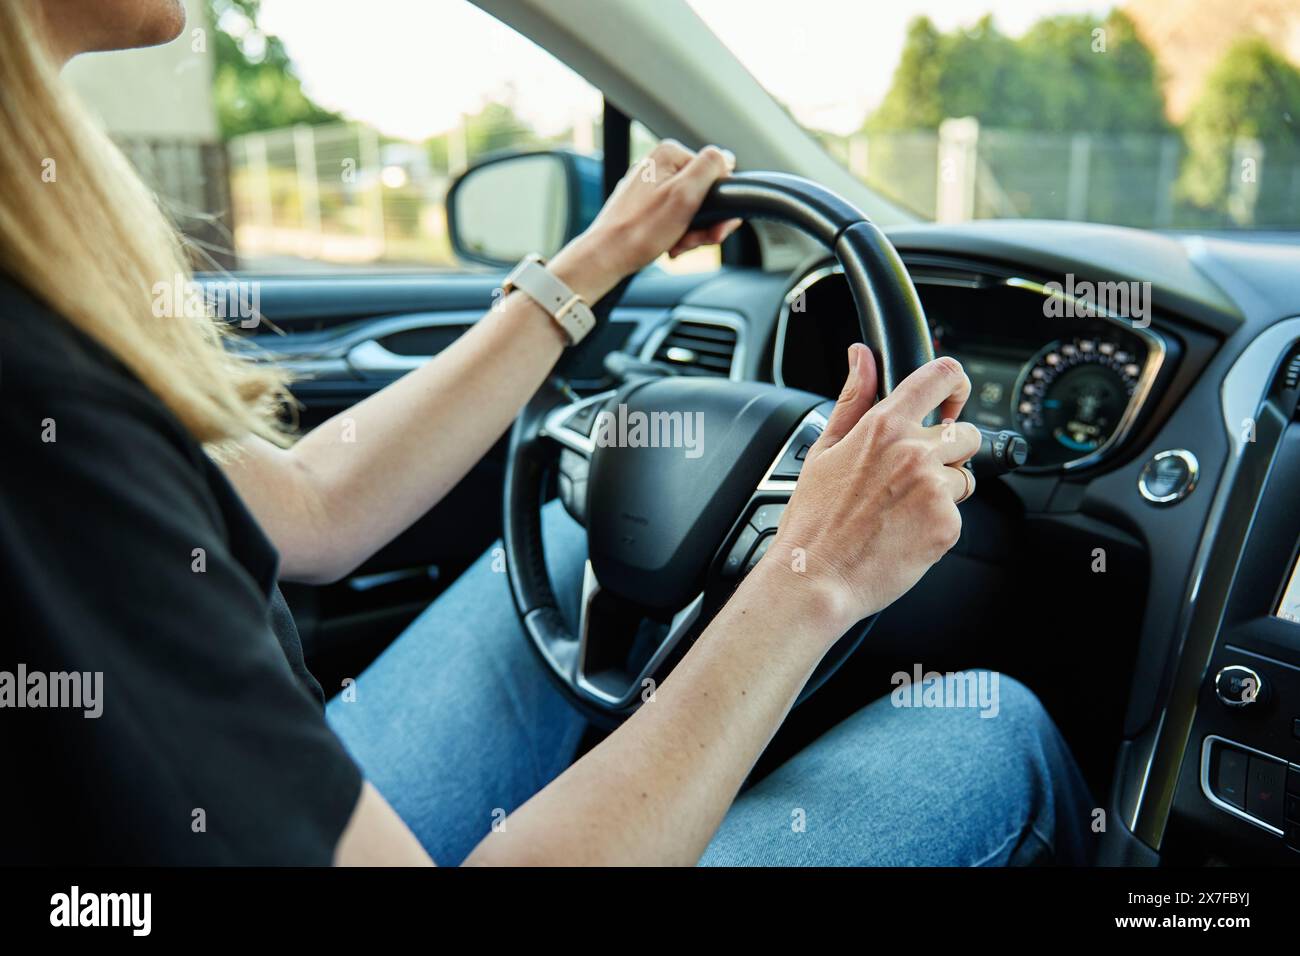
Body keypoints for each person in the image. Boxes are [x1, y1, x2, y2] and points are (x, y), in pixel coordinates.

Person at [0, 0, 1093, 865]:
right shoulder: (41, 414)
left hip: (283, 790)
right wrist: (815, 572)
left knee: (576, 542)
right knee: (992, 732)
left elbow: (304, 506)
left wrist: (593, 259)